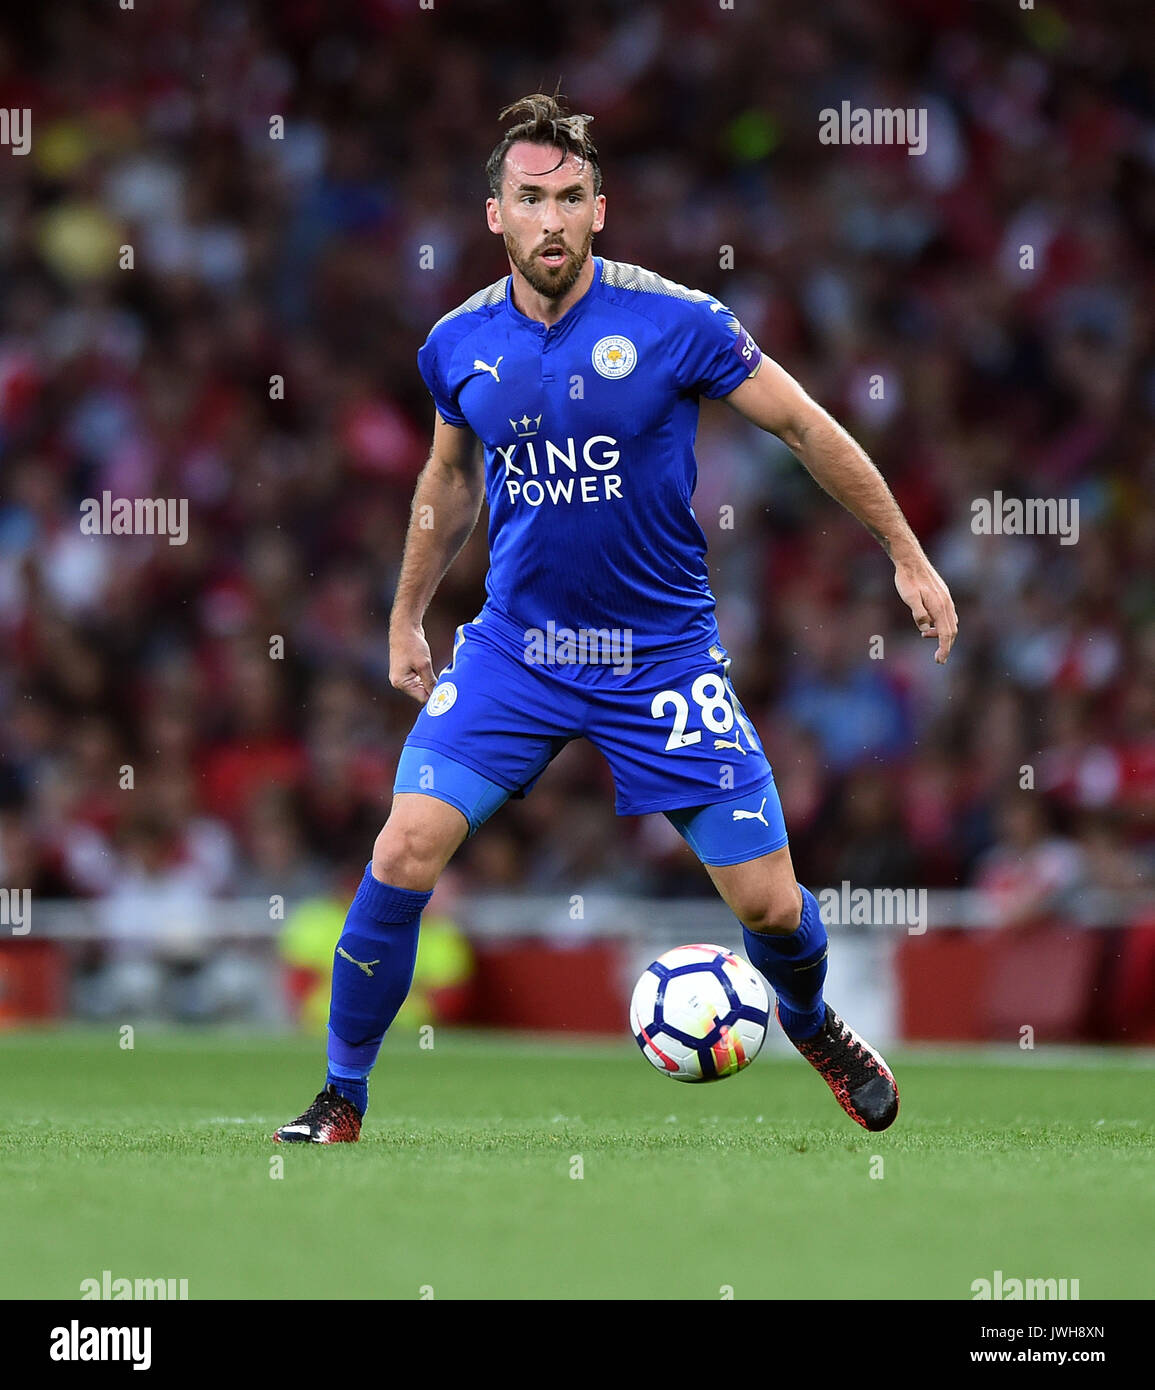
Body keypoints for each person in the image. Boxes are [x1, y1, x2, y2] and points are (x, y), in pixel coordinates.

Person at [274, 93, 957, 1144]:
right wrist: (408, 614)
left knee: (771, 907)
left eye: (572, 198)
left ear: (603, 209)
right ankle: (340, 1094)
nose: (552, 218)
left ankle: (812, 1021)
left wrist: (907, 555)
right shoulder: (457, 343)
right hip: (518, 650)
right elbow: (447, 481)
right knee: (404, 847)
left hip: (662, 659)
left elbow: (807, 428)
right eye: (530, 198)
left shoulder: (677, 321)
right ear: (493, 212)